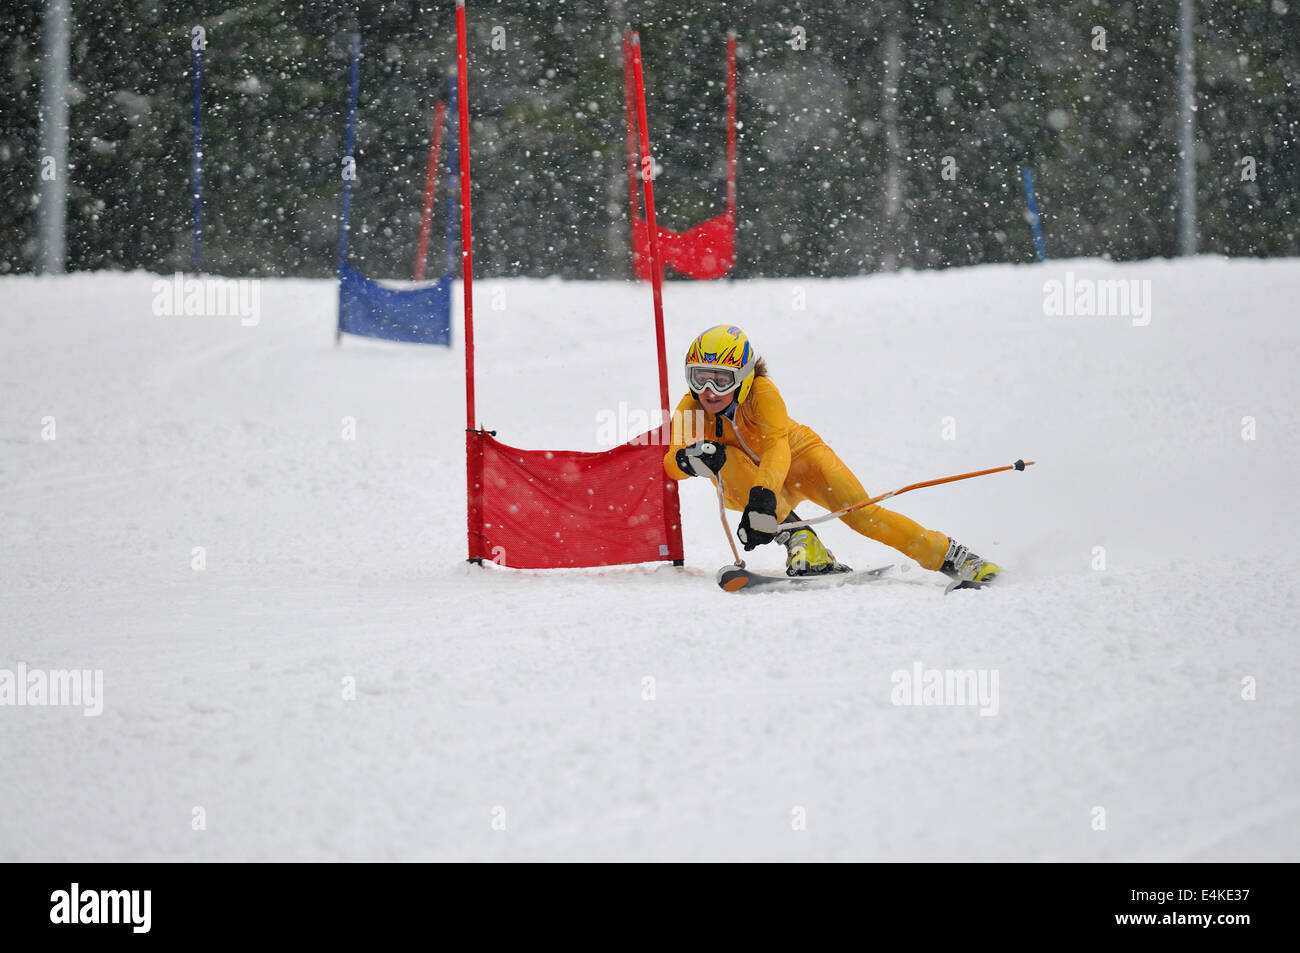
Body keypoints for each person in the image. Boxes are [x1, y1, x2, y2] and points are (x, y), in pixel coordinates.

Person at [663, 324, 1000, 583]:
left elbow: (777, 448)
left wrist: (763, 497)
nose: (708, 392)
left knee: (865, 517)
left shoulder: (763, 394)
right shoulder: (691, 408)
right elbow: (670, 462)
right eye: (699, 378)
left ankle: (954, 557)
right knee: (723, 457)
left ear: (745, 378)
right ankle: (802, 539)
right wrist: (688, 460)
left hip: (802, 462)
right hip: (751, 480)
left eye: (721, 380)